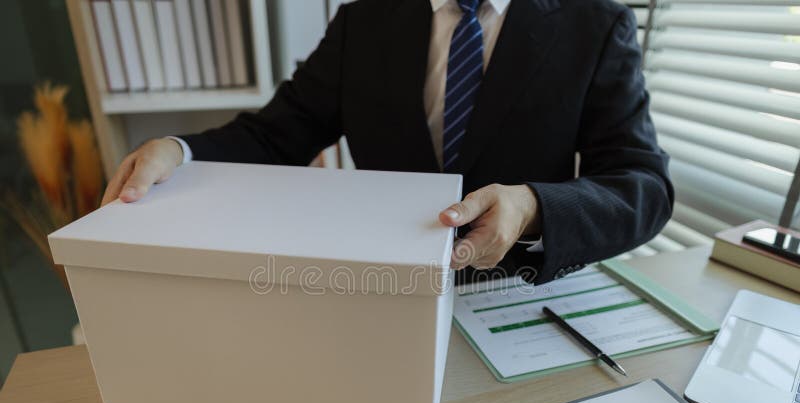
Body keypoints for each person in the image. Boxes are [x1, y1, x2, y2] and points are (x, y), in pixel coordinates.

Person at [101, 0, 673, 284]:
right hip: (380, 288)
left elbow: (641, 184)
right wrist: (179, 150)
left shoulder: (597, 24)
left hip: (518, 290)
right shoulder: (363, 21)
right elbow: (275, 135)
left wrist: (532, 207)